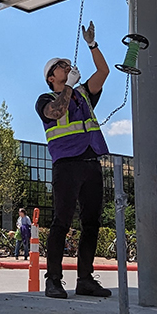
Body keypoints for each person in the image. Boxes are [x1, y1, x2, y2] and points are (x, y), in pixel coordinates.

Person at [36, 21, 112, 299]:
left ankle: (85, 279)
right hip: (67, 165)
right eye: (61, 65)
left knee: (91, 223)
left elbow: (103, 72)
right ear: (51, 77)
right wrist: (68, 87)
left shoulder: (82, 94)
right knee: (62, 222)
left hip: (91, 162)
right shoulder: (46, 97)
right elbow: (56, 112)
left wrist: (92, 44)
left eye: (68, 64)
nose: (67, 67)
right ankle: (53, 280)